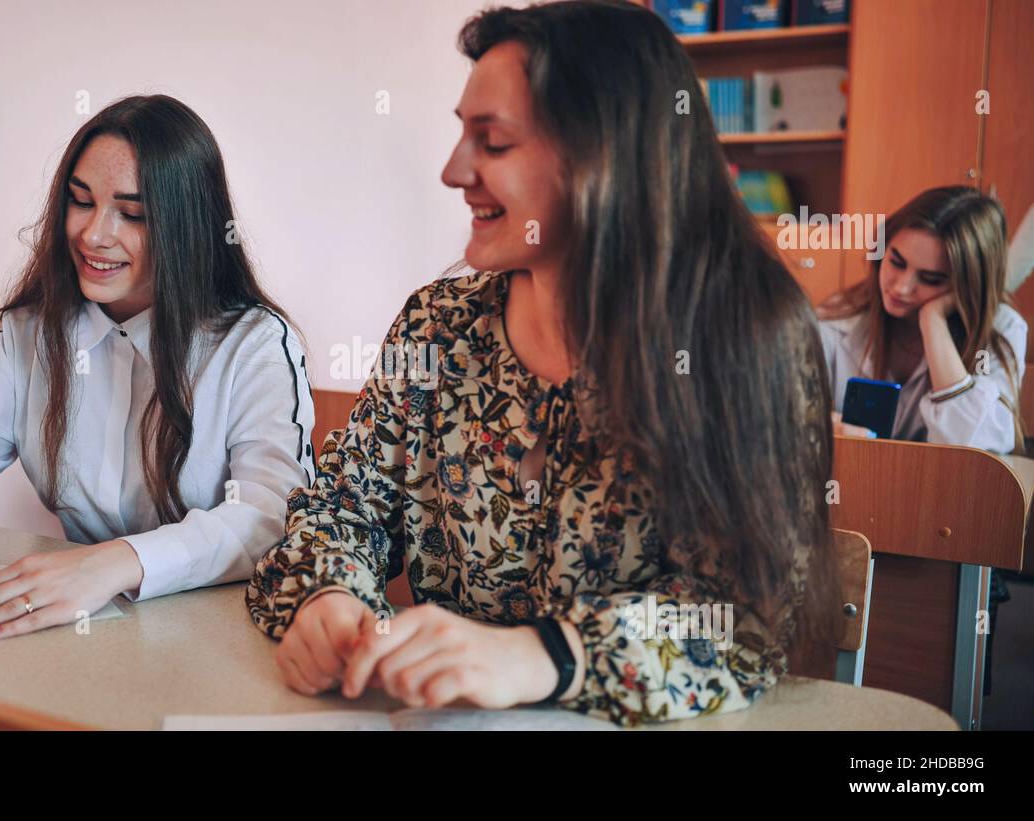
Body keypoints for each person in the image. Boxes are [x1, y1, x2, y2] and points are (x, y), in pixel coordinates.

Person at [246, 0, 839, 726]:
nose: (451, 170)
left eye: (491, 143)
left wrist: (543, 656)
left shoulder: (744, 339)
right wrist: (329, 597)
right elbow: (341, 508)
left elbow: (746, 626)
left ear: (603, 152)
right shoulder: (440, 324)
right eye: (461, 135)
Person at [0, 95, 314, 640]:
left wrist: (112, 563)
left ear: (190, 228)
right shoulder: (27, 336)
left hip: (221, 637)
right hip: (87, 634)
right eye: (81, 202)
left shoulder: (254, 344)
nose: (94, 234)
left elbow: (273, 517)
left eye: (132, 214)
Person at [821, 186, 1024, 452]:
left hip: (940, 491)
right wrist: (823, 426)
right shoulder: (838, 317)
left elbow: (980, 450)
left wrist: (934, 323)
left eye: (931, 279)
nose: (902, 288)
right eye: (896, 262)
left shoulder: (1001, 328)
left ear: (967, 285)